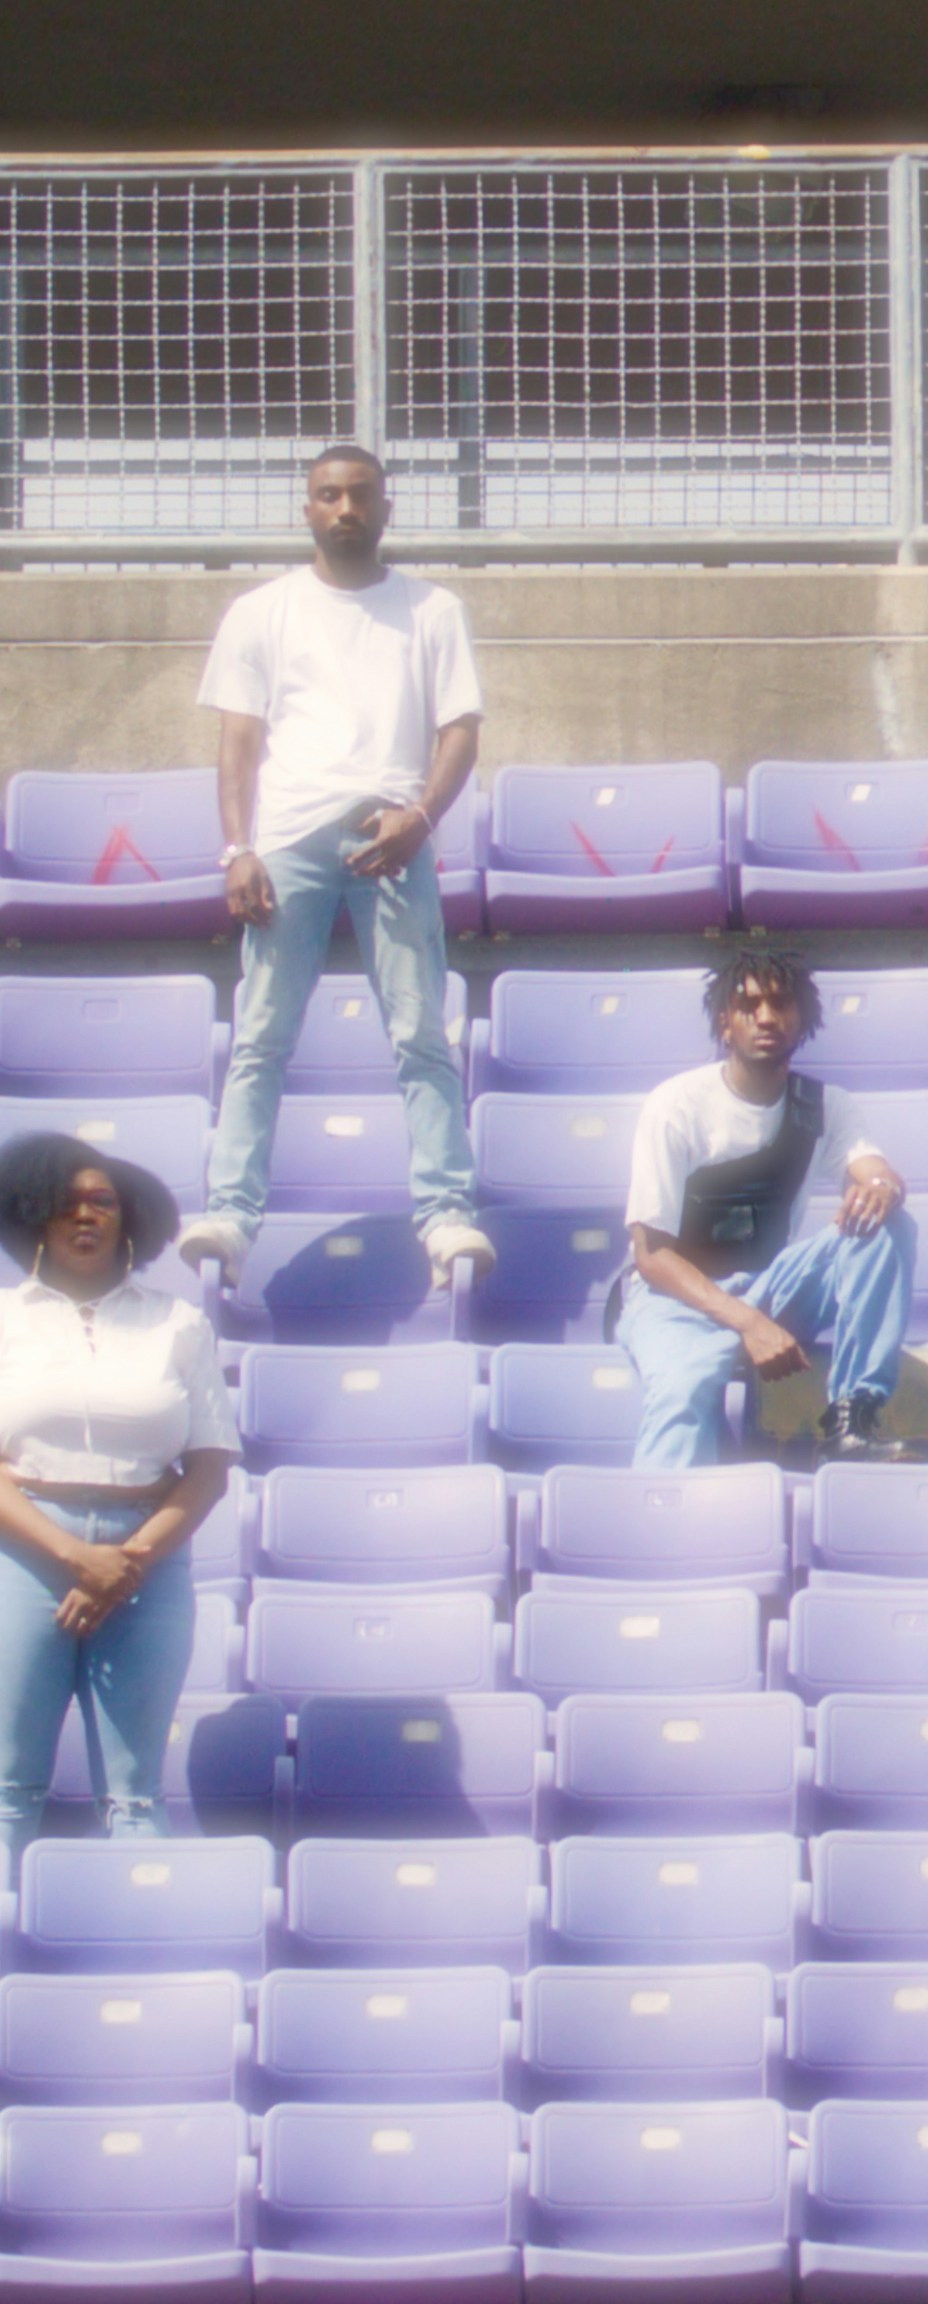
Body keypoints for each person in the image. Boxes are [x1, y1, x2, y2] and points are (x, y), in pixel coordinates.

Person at [181, 443, 490, 1289]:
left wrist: (419, 818)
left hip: (392, 834)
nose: (345, 509)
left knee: (420, 1033)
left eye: (359, 495)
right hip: (289, 840)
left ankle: (447, 1214)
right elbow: (238, 742)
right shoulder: (261, 611)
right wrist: (238, 848)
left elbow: (461, 731)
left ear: (386, 507)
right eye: (328, 495)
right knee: (261, 1037)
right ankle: (231, 1217)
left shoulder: (433, 610)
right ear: (307, 508)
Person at [0, 1137, 232, 1852]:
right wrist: (76, 1556)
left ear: (128, 1219)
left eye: (101, 1201)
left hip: (147, 1561)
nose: (84, 1215)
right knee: (7, 1788)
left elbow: (210, 1467)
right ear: (34, 1217)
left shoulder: (178, 1323)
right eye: (65, 1203)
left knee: (134, 1796)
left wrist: (126, 1561)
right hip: (26, 1551)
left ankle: (144, 1919)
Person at [614, 947, 920, 1469]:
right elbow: (652, 1257)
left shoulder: (823, 1105)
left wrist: (881, 1187)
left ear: (803, 1020)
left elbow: (875, 1169)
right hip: (676, 1301)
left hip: (771, 1285)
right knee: (681, 1391)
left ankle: (852, 1419)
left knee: (887, 1224)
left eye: (780, 1004)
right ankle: (662, 1513)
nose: (766, 1017)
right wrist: (748, 1323)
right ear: (724, 1022)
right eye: (749, 1006)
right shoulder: (676, 1105)